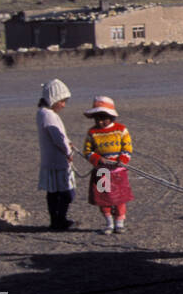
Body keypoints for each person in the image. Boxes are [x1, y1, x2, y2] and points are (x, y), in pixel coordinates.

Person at [81, 96, 135, 234]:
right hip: (101, 172)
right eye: (97, 118)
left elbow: (127, 148)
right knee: (103, 199)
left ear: (111, 117)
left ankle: (119, 222)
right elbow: (87, 151)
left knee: (119, 198)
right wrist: (98, 159)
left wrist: (122, 159)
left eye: (103, 118)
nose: (100, 121)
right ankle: (109, 223)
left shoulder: (121, 130)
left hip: (118, 171)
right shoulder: (92, 133)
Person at [36, 79, 75, 230]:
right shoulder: (48, 115)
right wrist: (68, 151)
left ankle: (56, 220)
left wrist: (68, 143)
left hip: (50, 160)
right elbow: (58, 137)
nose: (64, 105)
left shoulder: (42, 113)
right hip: (58, 161)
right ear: (54, 99)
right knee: (66, 193)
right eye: (62, 101)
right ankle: (59, 220)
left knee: (54, 192)